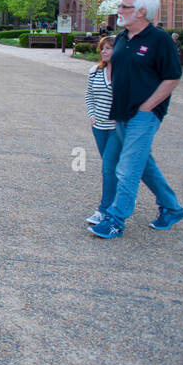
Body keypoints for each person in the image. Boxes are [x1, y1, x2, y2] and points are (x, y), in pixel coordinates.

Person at [88, 0, 183, 239]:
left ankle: (115, 219)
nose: (119, 11)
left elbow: (172, 77)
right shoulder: (121, 38)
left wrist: (148, 106)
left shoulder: (159, 39)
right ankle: (172, 208)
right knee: (141, 165)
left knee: (128, 167)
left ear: (142, 12)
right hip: (120, 112)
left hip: (144, 115)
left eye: (124, 7)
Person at [83, 35, 118, 227]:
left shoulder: (124, 72)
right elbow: (89, 95)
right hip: (99, 126)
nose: (104, 51)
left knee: (108, 168)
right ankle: (121, 197)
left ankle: (104, 210)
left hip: (116, 128)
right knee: (110, 166)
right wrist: (92, 115)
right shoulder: (95, 71)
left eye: (109, 48)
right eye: (103, 48)